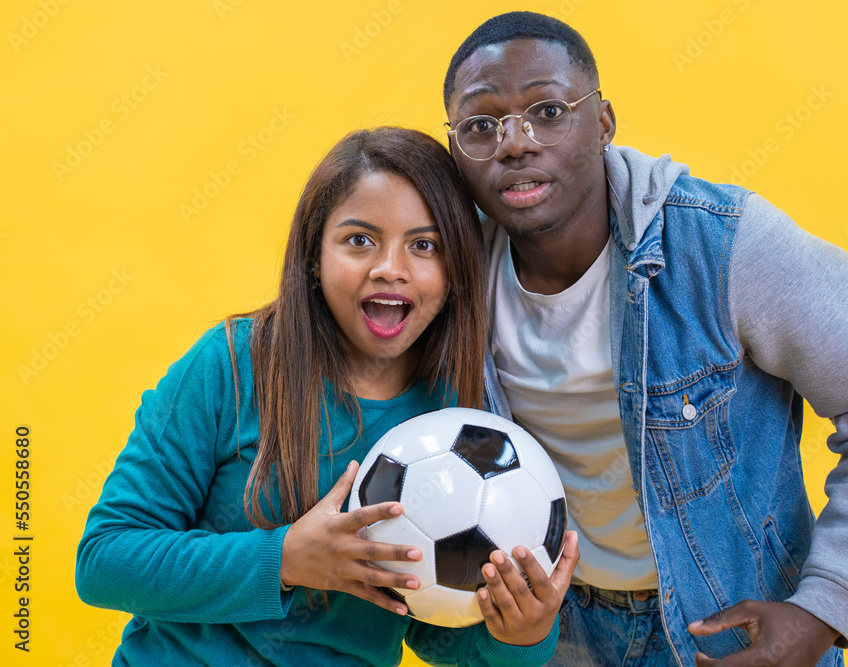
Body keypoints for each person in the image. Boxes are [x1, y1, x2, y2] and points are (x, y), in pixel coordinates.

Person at [440, 12, 848, 667]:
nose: (515, 142)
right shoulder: (447, 272)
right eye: (482, 125)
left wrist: (824, 610)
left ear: (604, 123)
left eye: (549, 109)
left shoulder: (725, 247)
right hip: (558, 636)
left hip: (727, 632)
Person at [75, 126, 579, 666]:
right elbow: (105, 560)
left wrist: (522, 635)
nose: (390, 268)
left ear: (456, 270)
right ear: (314, 256)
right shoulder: (234, 365)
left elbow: (432, 627)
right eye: (360, 240)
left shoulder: (457, 421)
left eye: (424, 245)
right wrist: (285, 560)